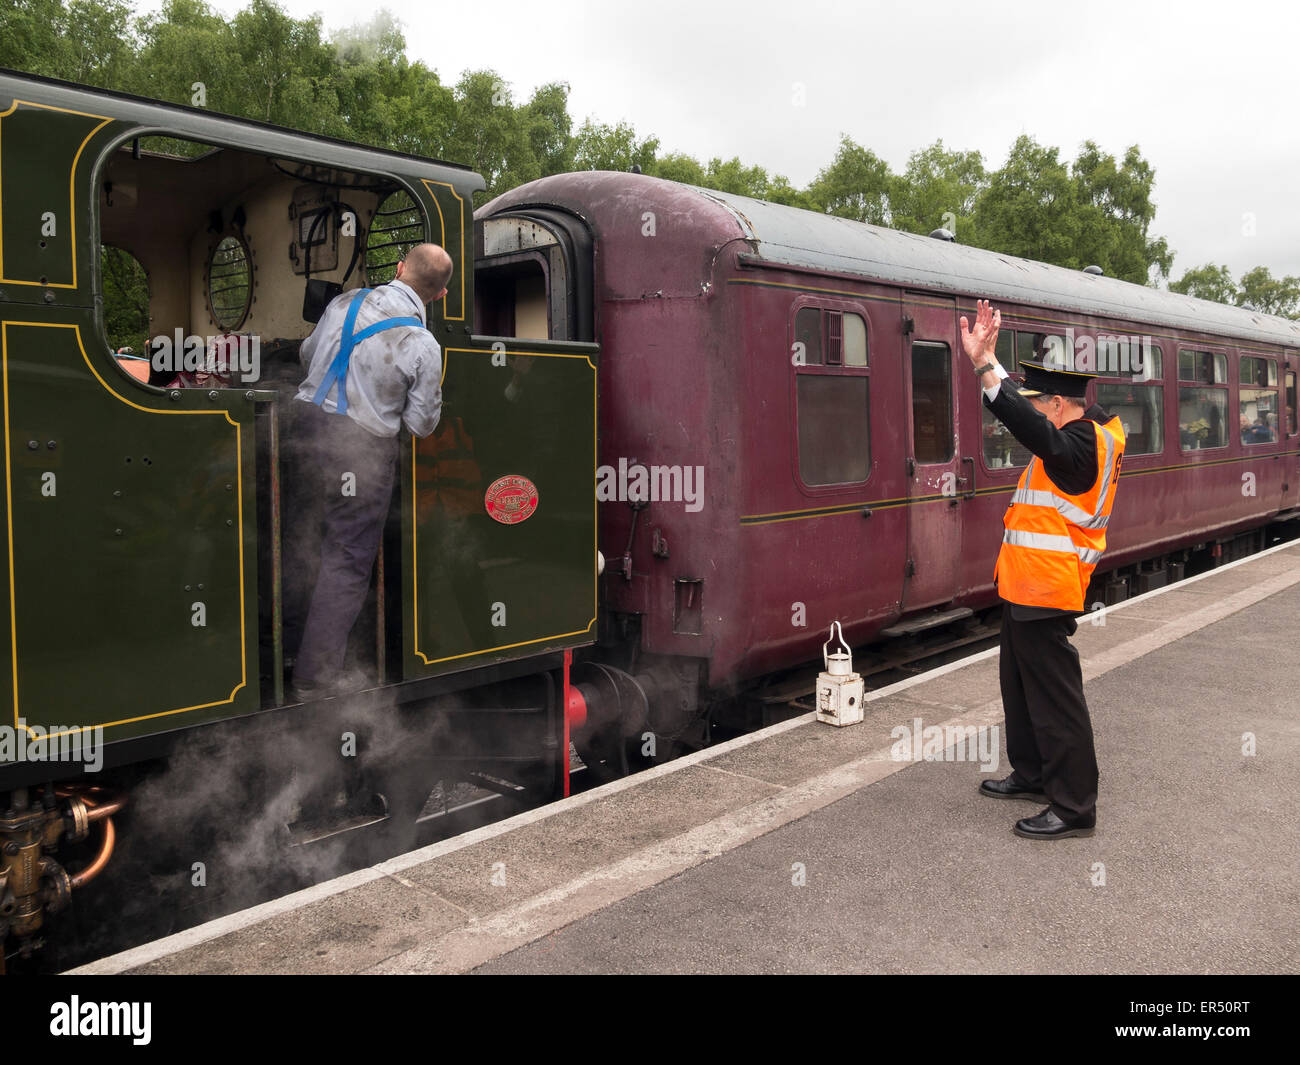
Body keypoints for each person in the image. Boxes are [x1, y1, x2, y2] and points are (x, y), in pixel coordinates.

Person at [960, 300, 1126, 840]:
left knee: (1057, 701)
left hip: (1049, 588)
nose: (1034, 412)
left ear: (1058, 405)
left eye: (1042, 404)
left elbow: (1030, 424)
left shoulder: (1077, 448)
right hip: (1025, 584)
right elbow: (1036, 411)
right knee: (1020, 685)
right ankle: (1032, 774)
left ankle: (1075, 808)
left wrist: (986, 371)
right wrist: (988, 358)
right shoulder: (1082, 425)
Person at [289, 243, 452, 701]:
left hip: (303, 429)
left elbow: (307, 354)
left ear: (399, 269)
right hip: (358, 450)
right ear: (440, 295)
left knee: (297, 541)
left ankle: (280, 643)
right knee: (347, 557)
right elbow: (421, 425)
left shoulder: (344, 302)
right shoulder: (422, 344)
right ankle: (315, 676)